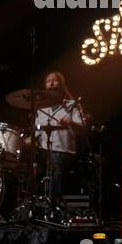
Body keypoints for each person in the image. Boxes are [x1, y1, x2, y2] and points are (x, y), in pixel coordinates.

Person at [33, 72, 85, 202]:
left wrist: (70, 123)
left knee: (55, 162)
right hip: (44, 152)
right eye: (48, 81)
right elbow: (37, 135)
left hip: (62, 151)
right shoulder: (41, 109)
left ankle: (55, 206)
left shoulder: (72, 105)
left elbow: (82, 130)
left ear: (61, 85)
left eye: (54, 80)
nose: (51, 83)